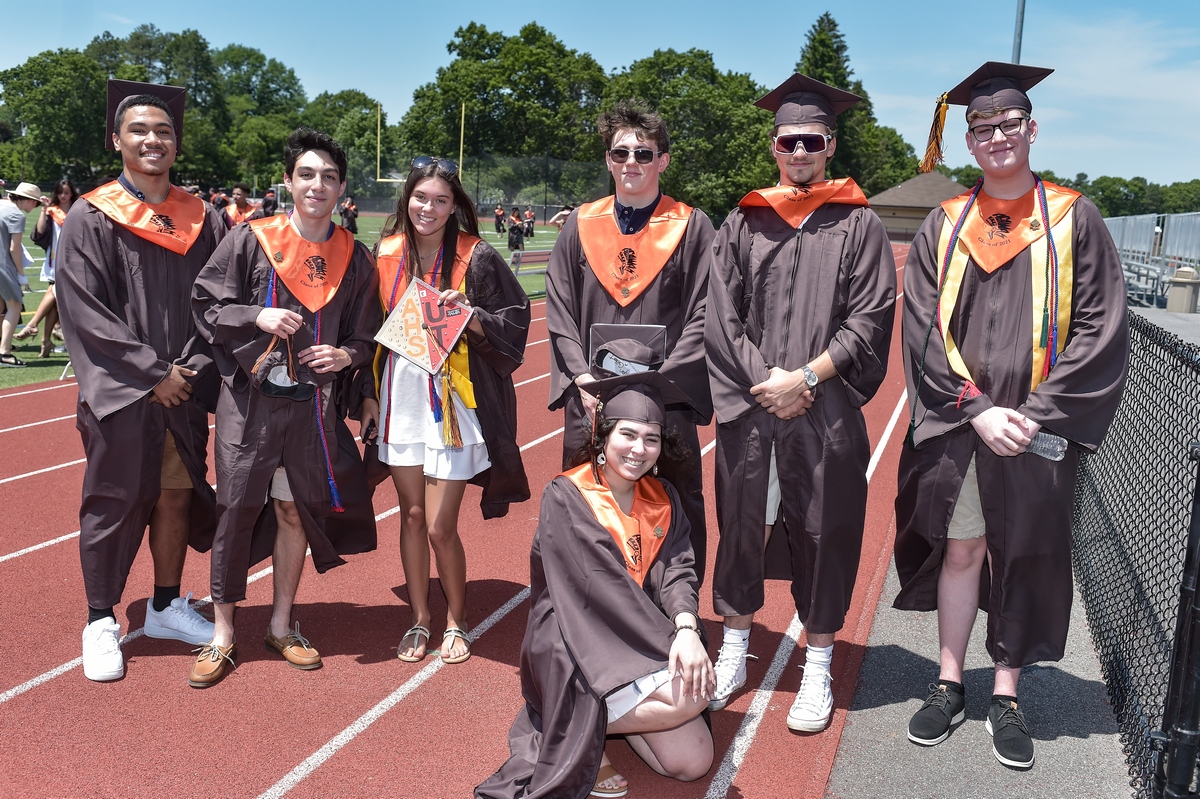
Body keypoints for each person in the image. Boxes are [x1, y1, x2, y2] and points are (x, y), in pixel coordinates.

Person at [893, 62, 1129, 769]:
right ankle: (947, 682)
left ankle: (1007, 691)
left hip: (1036, 425)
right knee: (963, 546)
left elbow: (1100, 325)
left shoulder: (1072, 216)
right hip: (966, 422)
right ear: (968, 142)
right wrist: (977, 409)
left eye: (1008, 124)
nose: (997, 136)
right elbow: (922, 330)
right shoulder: (945, 223)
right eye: (982, 128)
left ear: (1032, 129)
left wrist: (1034, 413)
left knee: (1019, 552)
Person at [704, 74, 896, 732]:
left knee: (824, 533)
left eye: (812, 140)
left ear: (831, 144)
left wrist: (806, 379)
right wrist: (767, 379)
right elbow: (720, 313)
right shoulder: (746, 219)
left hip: (826, 408)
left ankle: (816, 668)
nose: (800, 151)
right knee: (742, 531)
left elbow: (870, 317)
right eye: (790, 141)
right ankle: (733, 651)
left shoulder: (860, 223)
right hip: (755, 408)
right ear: (774, 145)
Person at [189, 127, 381, 688]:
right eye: (306, 174)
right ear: (288, 181)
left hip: (312, 408)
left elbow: (368, 333)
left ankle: (280, 623)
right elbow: (206, 303)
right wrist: (257, 316)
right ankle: (223, 635)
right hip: (249, 403)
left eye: (328, 176)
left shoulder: (355, 254)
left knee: (295, 510)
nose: (316, 185)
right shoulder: (251, 239)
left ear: (342, 188)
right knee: (237, 508)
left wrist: (347, 354)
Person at [476, 351, 714, 799]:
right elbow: (597, 591)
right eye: (627, 434)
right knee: (693, 695)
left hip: (636, 635)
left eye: (651, 438)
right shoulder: (567, 496)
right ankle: (574, 722)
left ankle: (586, 721)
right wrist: (670, 646)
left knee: (693, 762)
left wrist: (685, 627)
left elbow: (678, 569)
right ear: (603, 437)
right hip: (573, 639)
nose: (638, 449)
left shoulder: (662, 497)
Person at [55, 80, 225, 682]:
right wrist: (153, 375)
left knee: (176, 492)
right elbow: (83, 310)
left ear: (176, 144)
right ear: (116, 141)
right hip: (123, 391)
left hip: (184, 386)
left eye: (164, 131)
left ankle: (163, 606)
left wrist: (191, 371)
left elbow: (219, 300)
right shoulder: (91, 215)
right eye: (140, 131)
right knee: (115, 499)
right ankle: (101, 618)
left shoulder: (202, 217)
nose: (154, 139)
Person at [359, 155, 531, 664]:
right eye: (420, 198)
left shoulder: (476, 256)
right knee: (410, 517)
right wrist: (367, 395)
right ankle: (420, 618)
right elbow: (365, 327)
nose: (428, 208)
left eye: (440, 200)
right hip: (400, 396)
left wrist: (471, 314)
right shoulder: (385, 252)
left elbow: (513, 322)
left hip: (453, 399)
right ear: (405, 199)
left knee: (439, 525)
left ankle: (457, 619)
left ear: (454, 205)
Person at [545, 100, 715, 584]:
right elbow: (559, 311)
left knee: (675, 502)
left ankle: (677, 614)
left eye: (644, 153)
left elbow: (706, 311)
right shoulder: (580, 226)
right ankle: (592, 614)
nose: (631, 164)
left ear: (663, 160)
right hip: (591, 395)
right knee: (588, 504)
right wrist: (579, 373)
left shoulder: (691, 225)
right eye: (620, 154)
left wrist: (664, 381)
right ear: (607, 161)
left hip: (666, 399)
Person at [19, 178, 80, 357]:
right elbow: (38, 233)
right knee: (54, 296)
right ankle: (43, 336)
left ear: (72, 193)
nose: (63, 196)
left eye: (66, 192)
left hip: (74, 259)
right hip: (55, 259)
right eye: (60, 192)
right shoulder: (52, 210)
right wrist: (44, 211)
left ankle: (41, 335)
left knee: (55, 298)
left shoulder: (78, 210)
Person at [0, 182, 41, 367]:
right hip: (3, 265)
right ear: (28, 200)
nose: (35, 207)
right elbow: (14, 248)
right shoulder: (16, 214)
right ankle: (4, 353)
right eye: (35, 203)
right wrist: (21, 274)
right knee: (14, 306)